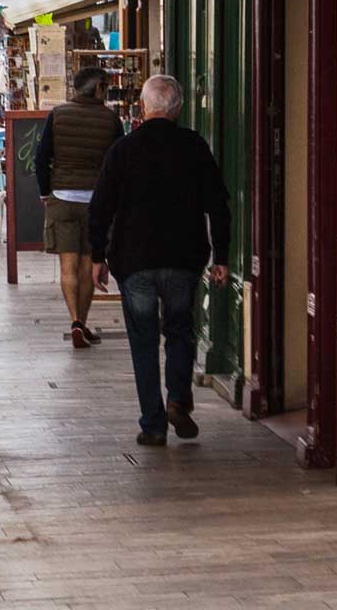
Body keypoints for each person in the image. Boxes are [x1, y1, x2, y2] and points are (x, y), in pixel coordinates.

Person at [89, 75, 231, 448]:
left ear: (142, 107)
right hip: (183, 258)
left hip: (134, 259)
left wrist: (96, 256)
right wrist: (223, 256)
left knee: (143, 340)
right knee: (180, 330)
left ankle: (153, 424)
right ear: (178, 108)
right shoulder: (194, 147)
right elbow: (218, 204)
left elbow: (101, 207)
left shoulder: (123, 150)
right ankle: (178, 399)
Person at [35, 66, 123, 351]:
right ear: (98, 89)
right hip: (96, 201)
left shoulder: (57, 115)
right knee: (88, 264)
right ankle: (82, 323)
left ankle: (74, 321)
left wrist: (45, 191)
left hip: (62, 197)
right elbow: (119, 161)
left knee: (67, 265)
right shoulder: (111, 120)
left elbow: (41, 157)